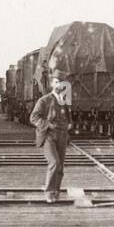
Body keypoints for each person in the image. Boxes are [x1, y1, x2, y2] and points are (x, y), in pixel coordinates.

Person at [30, 72, 72, 203]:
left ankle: (56, 191)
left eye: (62, 83)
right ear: (52, 84)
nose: (59, 85)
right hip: (49, 136)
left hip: (62, 136)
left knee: (60, 166)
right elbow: (33, 117)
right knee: (54, 162)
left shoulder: (64, 101)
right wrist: (47, 124)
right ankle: (48, 191)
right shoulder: (44, 100)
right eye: (56, 82)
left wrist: (70, 124)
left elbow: (68, 118)